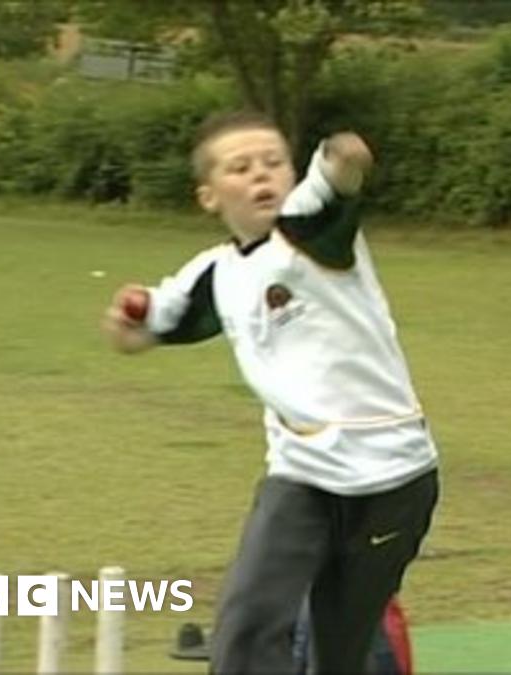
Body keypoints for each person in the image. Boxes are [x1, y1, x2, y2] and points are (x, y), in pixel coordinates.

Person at [101, 110, 440, 675]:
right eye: (240, 167)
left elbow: (336, 180)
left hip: (394, 477)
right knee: (247, 622)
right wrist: (127, 323)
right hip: (301, 476)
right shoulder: (214, 273)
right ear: (209, 195)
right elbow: (152, 323)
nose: (261, 175)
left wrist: (342, 156)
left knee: (341, 647)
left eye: (273, 162)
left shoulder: (308, 231)